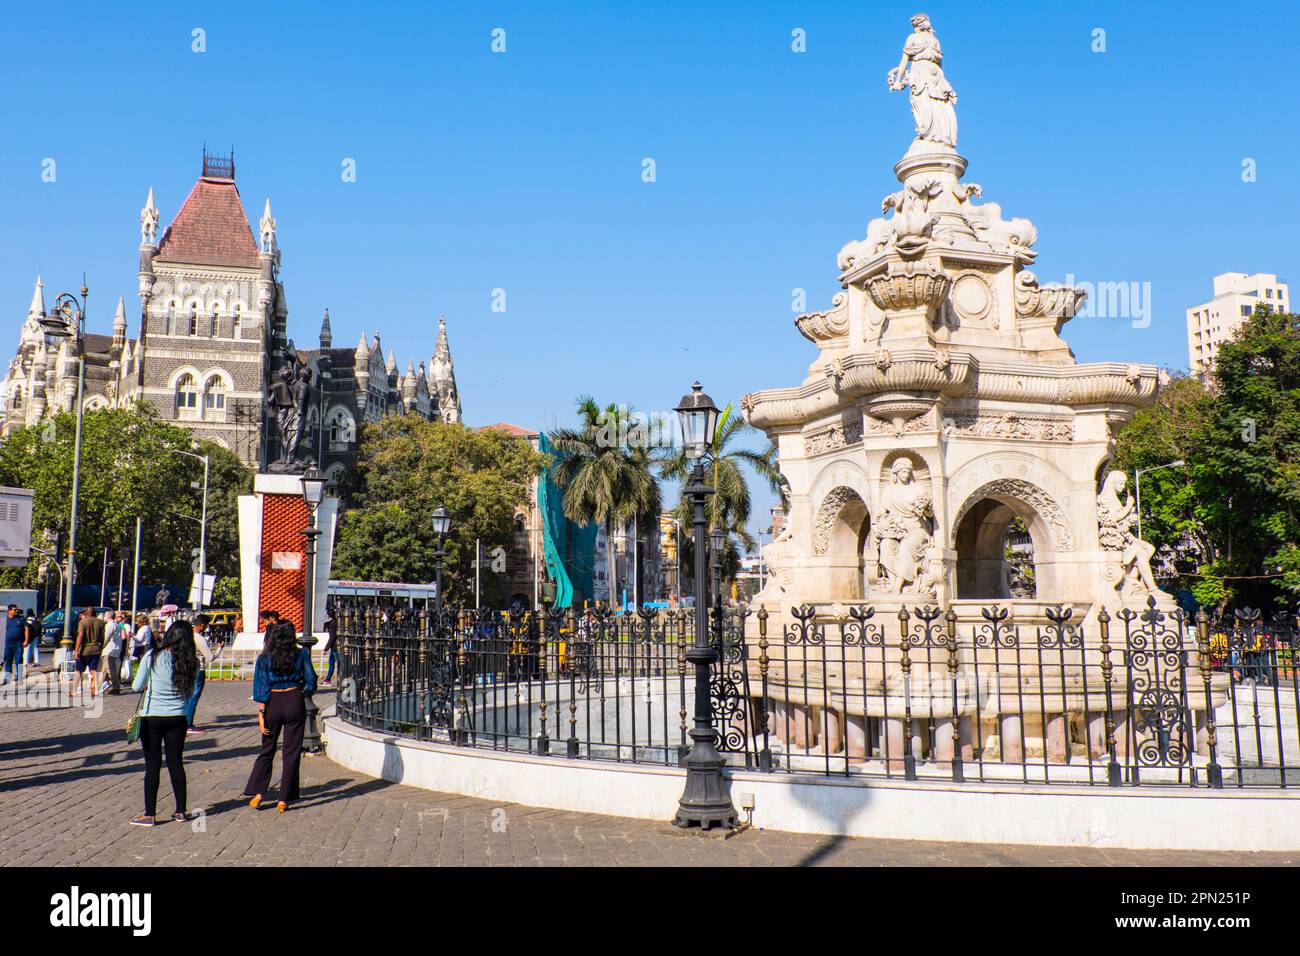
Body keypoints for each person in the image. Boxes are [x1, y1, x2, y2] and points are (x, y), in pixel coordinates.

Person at [130, 620, 199, 826]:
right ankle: (180, 811)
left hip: (152, 716)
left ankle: (150, 814)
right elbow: (190, 693)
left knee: (152, 765)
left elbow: (136, 686)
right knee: (176, 763)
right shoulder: (191, 662)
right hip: (178, 717)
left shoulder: (153, 656)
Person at [243, 620, 317, 812]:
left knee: (267, 748)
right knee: (291, 752)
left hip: (273, 702)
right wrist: (302, 690)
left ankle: (258, 793)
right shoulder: (301, 654)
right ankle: (283, 798)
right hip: (294, 699)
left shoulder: (265, 658)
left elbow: (260, 687)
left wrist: (261, 712)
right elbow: (311, 680)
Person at [186, 614, 214, 733]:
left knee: (187, 695)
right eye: (206, 625)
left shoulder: (186, 635)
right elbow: (210, 657)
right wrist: (219, 649)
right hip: (198, 668)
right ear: (202, 625)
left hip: (187, 667)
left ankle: (183, 721)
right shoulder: (200, 639)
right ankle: (188, 724)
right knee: (194, 696)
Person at [72, 607, 106, 699]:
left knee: (79, 670)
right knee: (94, 670)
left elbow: (80, 636)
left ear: (86, 613)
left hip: (84, 650)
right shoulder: (100, 622)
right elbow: (103, 637)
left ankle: (75, 690)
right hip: (96, 649)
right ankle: (96, 689)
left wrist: (76, 650)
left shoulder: (82, 622)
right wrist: (101, 647)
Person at [102, 610, 125, 695]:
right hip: (115, 650)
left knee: (109, 670)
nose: (104, 618)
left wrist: (101, 646)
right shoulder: (117, 625)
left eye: (105, 616)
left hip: (109, 650)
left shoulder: (110, 625)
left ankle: (115, 687)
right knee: (109, 670)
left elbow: (106, 637)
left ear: (108, 616)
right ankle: (111, 686)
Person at [1, 605, 24, 685]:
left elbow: (26, 629)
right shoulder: (4, 620)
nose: (16, 611)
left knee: (19, 660)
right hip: (7, 644)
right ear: (9, 611)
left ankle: (19, 677)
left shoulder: (20, 619)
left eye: (16, 609)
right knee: (8, 661)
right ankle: (7, 677)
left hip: (18, 644)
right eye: (14, 610)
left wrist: (26, 641)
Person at [322, 607, 337, 685]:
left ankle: (328, 679)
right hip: (334, 647)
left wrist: (326, 648)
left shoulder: (333, 624)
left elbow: (332, 637)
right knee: (332, 662)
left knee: (334, 663)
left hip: (335, 647)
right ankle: (328, 679)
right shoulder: (335, 622)